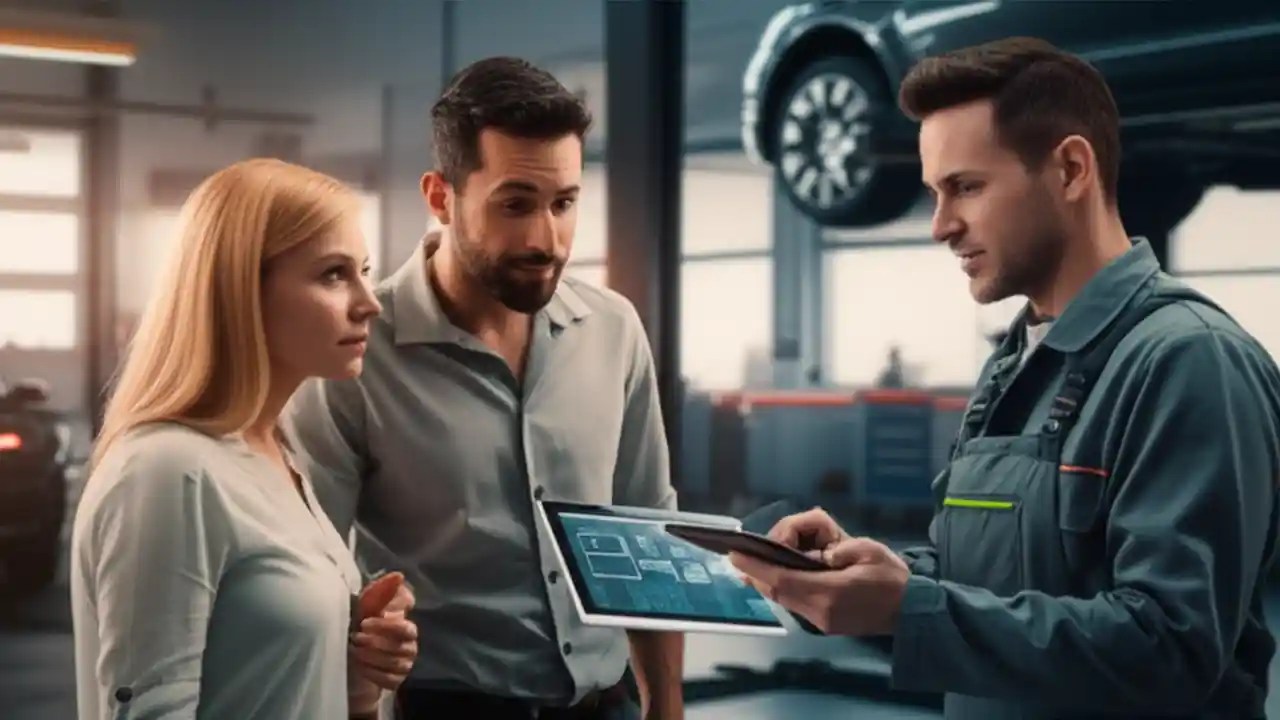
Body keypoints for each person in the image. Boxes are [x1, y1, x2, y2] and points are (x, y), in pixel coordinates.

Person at [731, 36, 1280, 720]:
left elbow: (1171, 648)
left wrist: (914, 609)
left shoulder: (1189, 362)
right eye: (936, 192)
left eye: (966, 186)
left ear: (1071, 170)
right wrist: (861, 585)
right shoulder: (1016, 363)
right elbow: (984, 592)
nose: (939, 226)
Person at [281, 57, 683, 720]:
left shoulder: (613, 329)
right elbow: (307, 573)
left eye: (564, 203)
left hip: (606, 704)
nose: (546, 240)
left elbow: (647, 527)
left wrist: (666, 705)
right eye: (515, 204)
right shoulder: (355, 354)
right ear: (441, 197)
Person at [70, 158, 421, 720]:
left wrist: (356, 672)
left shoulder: (277, 457)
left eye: (364, 270)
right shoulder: (168, 469)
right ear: (240, 291)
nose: (369, 301)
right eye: (333, 274)